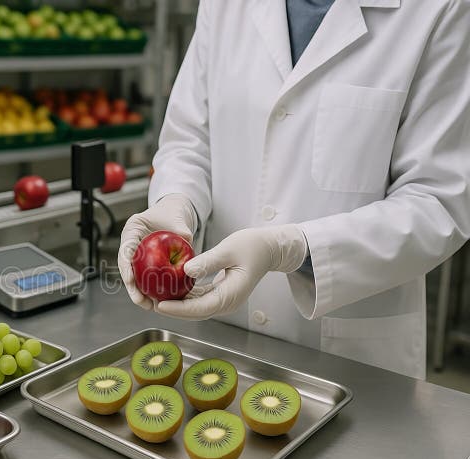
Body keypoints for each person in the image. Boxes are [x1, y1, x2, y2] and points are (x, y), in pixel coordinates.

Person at [118, 0, 470, 379]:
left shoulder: (441, 8)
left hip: (352, 360)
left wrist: (295, 249)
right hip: (223, 333)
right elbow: (190, 141)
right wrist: (176, 203)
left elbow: (437, 200)